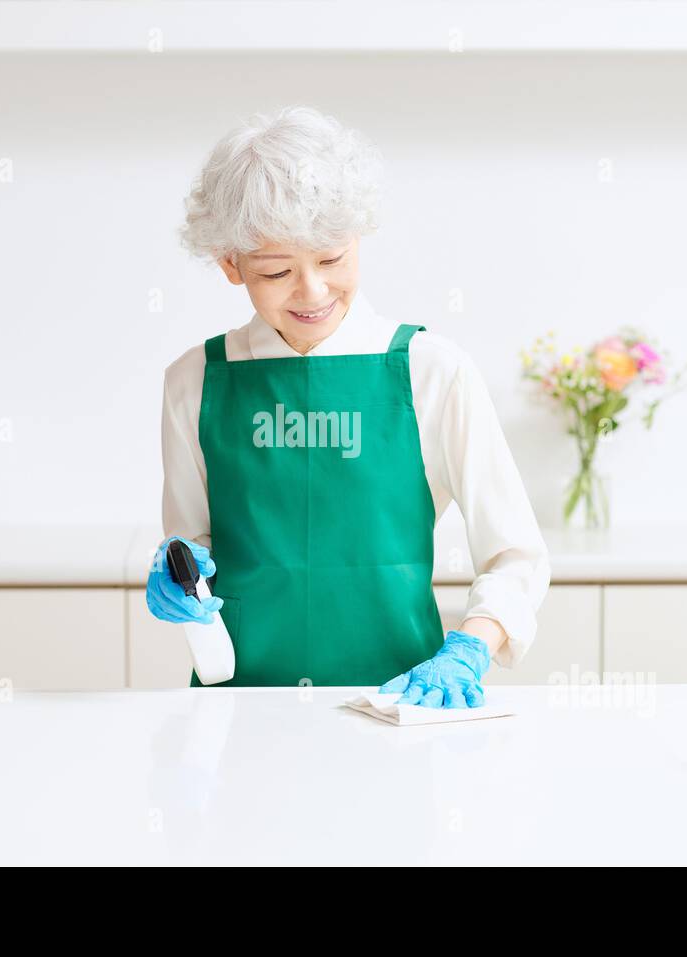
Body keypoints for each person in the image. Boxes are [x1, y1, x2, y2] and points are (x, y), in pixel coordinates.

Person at [147, 105, 550, 708]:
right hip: (237, 712)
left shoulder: (431, 372)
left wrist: (471, 646)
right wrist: (179, 582)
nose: (312, 292)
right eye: (277, 271)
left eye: (332, 260)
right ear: (231, 265)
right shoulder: (195, 381)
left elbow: (515, 553)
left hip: (398, 702)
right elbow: (190, 542)